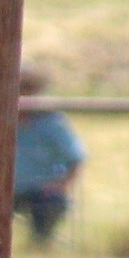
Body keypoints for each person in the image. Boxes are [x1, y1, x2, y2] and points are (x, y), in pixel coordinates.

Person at [11, 64, 85, 247]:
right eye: (19, 87)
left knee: (52, 202)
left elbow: (75, 158)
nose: (22, 94)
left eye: (28, 88)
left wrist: (59, 185)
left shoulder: (51, 123)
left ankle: (40, 243)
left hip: (40, 189)